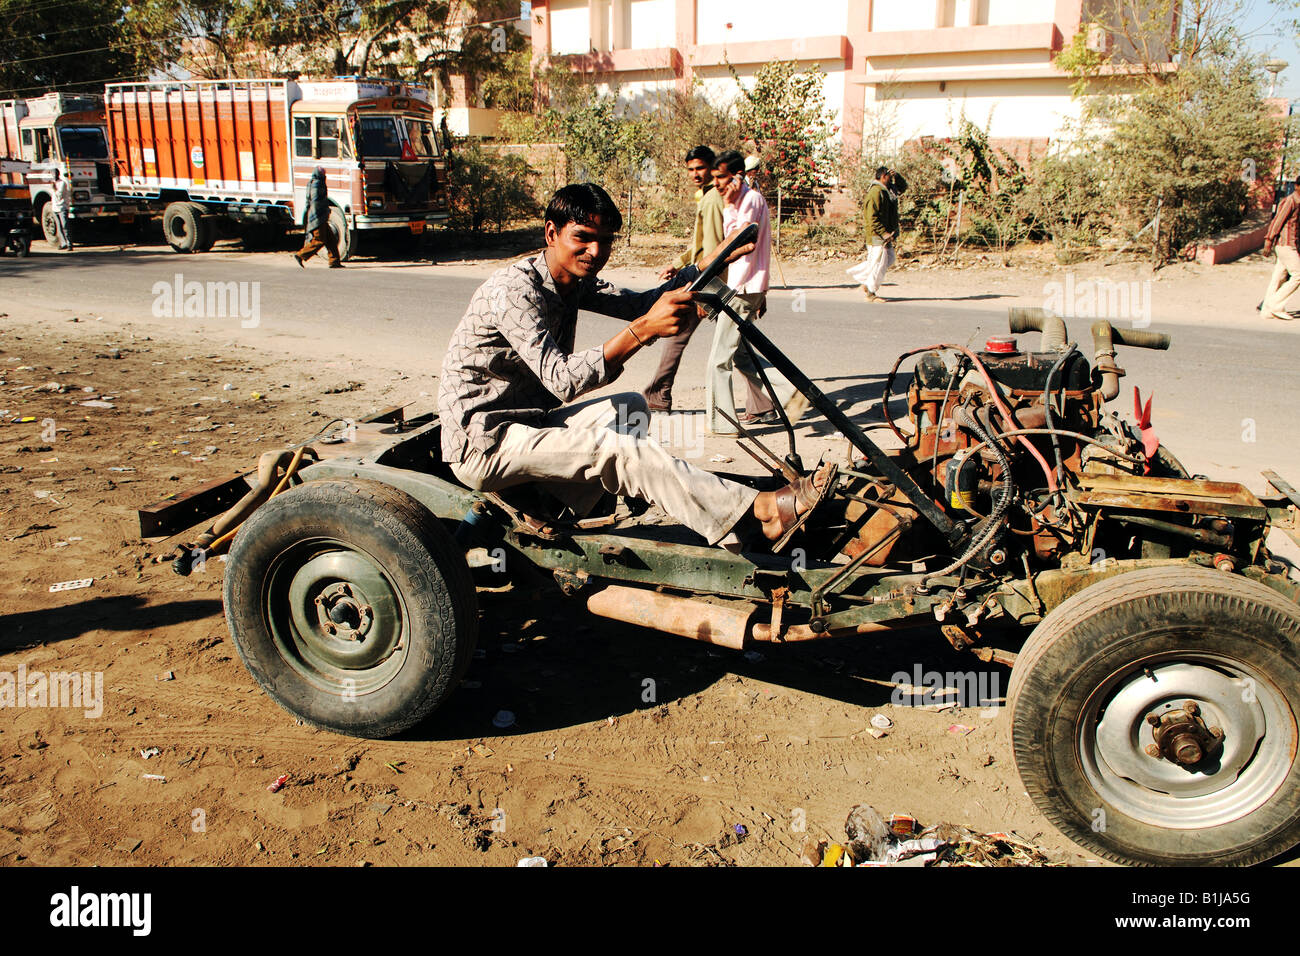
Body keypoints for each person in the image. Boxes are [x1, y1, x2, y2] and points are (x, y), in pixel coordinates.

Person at [438, 183, 834, 551]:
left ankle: (556, 505)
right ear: (551, 233)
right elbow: (562, 379)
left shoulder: (572, 281)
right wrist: (643, 331)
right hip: (484, 441)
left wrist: (705, 265)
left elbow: (636, 304)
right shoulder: (515, 290)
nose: (595, 251)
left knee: (631, 408)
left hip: (529, 423)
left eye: (605, 241)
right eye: (583, 238)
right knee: (616, 449)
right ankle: (758, 512)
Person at [704, 150, 806, 436]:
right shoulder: (741, 201)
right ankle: (788, 393)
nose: (718, 185)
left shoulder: (750, 200)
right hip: (746, 285)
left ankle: (723, 422)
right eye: (716, 179)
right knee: (739, 355)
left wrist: (728, 204)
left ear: (737, 176)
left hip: (743, 285)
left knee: (718, 358)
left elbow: (738, 239)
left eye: (722, 178)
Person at [642, 145, 725, 412]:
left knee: (680, 333)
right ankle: (767, 400)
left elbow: (713, 250)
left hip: (709, 281)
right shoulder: (708, 196)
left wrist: (706, 293)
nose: (695, 174)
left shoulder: (712, 200)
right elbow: (701, 244)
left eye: (700, 168)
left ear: (712, 168)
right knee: (737, 342)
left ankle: (658, 394)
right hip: (708, 277)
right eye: (690, 169)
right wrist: (678, 264)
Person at [846, 166, 900, 301]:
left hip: (884, 234)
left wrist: (898, 177)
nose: (890, 178)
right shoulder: (876, 192)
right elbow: (872, 218)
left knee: (887, 259)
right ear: (883, 177)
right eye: (888, 176)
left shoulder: (887, 191)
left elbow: (902, 188)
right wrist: (883, 233)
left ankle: (867, 281)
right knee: (878, 263)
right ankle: (871, 292)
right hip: (877, 235)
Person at [1261, 176, 1300, 320]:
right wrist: (1269, 240)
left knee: (1278, 277)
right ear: (1297, 186)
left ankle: (1267, 310)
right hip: (1286, 245)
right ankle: (1275, 305)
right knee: (1298, 275)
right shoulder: (1291, 200)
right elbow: (1277, 221)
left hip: (1291, 244)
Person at [293, 167, 342, 267]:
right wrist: (319, 215)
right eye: (323, 173)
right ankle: (301, 255)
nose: (325, 175)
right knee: (319, 240)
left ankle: (334, 262)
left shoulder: (313, 183)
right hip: (317, 217)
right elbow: (315, 203)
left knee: (331, 239)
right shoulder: (317, 184)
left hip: (321, 216)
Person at [49, 168, 72, 251]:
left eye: (55, 174)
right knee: (59, 227)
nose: (54, 176)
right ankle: (63, 243)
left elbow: (59, 195)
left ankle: (69, 244)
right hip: (55, 208)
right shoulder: (52, 184)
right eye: (52, 174)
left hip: (62, 207)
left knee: (65, 226)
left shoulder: (62, 183)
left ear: (58, 174)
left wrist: (54, 188)